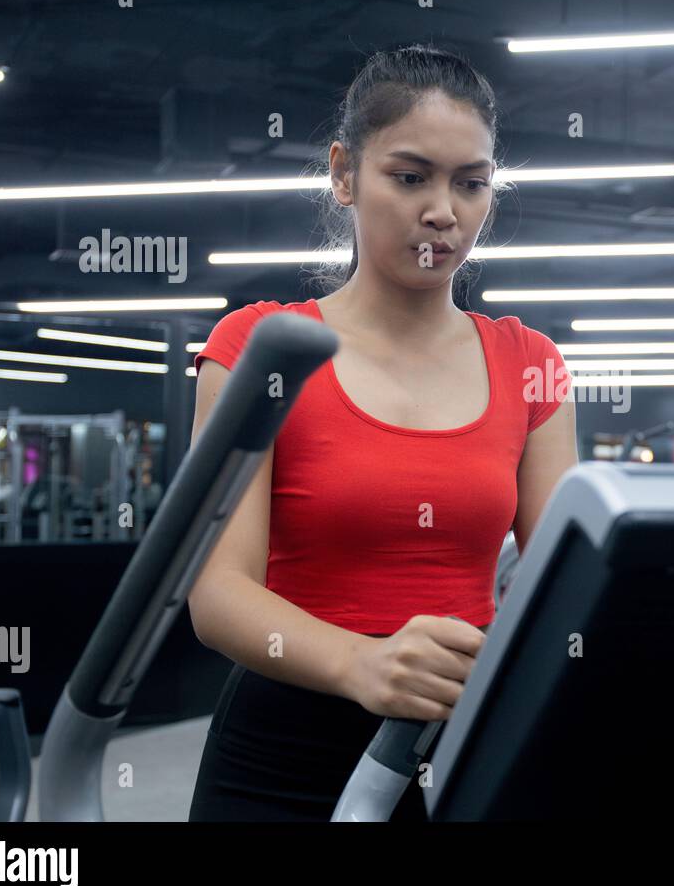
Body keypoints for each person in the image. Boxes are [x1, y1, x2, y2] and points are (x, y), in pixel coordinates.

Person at [186, 44, 579, 821]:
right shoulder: (259, 348)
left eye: (471, 183)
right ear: (343, 174)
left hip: (463, 738)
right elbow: (217, 594)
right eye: (410, 177)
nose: (444, 210)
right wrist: (361, 662)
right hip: (282, 750)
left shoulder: (531, 363)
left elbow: (564, 585)